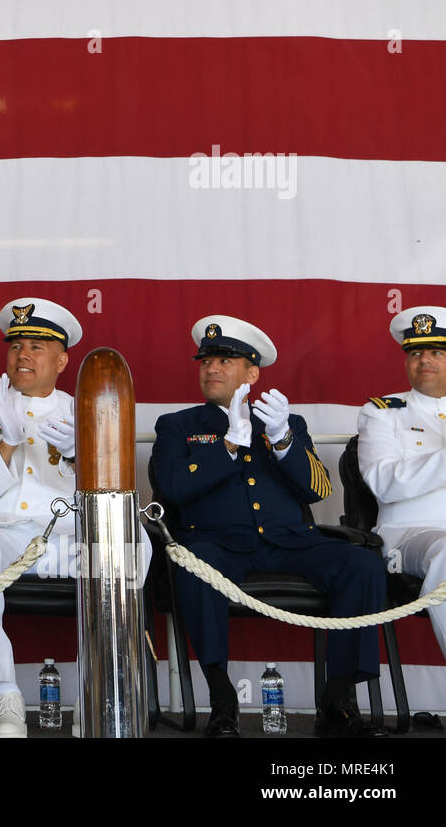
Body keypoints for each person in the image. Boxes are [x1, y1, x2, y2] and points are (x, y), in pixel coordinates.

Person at [151, 315, 387, 737]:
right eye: (206, 361)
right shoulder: (178, 425)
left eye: (226, 360)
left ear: (253, 372)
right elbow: (171, 487)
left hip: (289, 542)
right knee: (191, 563)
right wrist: (226, 447)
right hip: (216, 545)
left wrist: (281, 441)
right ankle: (222, 701)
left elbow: (318, 488)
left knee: (362, 565)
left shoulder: (285, 423)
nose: (212, 369)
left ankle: (337, 701)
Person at [0, 297, 151, 737]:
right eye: (16, 345)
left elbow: (112, 500)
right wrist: (7, 444)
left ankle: (98, 696)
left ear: (62, 359)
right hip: (2, 540)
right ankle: (6, 697)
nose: (24, 354)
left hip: (69, 542)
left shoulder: (91, 411)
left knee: (136, 540)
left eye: (37, 346)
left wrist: (83, 455)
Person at [358, 305, 446, 659]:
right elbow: (383, 482)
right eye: (415, 353)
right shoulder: (382, 413)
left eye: (437, 352)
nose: (425, 360)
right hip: (407, 535)